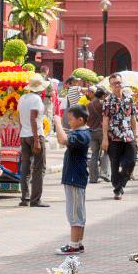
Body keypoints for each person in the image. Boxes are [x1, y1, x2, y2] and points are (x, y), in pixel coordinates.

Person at [53, 103, 91, 255]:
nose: (68, 122)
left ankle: (74, 244)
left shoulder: (81, 135)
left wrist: (57, 123)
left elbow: (63, 140)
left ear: (80, 120)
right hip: (75, 177)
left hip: (75, 178)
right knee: (78, 212)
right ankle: (78, 243)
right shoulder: (81, 133)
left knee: (74, 213)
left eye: (70, 119)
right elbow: (62, 138)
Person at [101, 72, 138, 200]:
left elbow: (133, 117)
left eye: (118, 82)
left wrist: (136, 135)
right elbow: (105, 120)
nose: (117, 85)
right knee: (115, 165)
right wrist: (105, 138)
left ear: (122, 83)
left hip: (128, 135)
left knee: (131, 162)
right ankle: (118, 190)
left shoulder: (129, 99)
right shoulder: (108, 100)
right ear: (111, 86)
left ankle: (121, 181)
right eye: (114, 84)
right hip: (113, 137)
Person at [18, 73, 49, 207]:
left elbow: (20, 118)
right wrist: (36, 140)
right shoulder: (36, 99)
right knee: (38, 167)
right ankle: (35, 199)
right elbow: (33, 119)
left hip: (24, 135)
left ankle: (25, 198)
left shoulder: (22, 98)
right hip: (35, 135)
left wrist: (23, 133)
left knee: (25, 167)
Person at [86, 87, 110, 183]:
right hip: (102, 131)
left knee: (94, 155)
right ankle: (104, 172)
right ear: (103, 96)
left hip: (92, 132)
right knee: (107, 152)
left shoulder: (88, 105)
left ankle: (93, 178)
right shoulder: (104, 104)